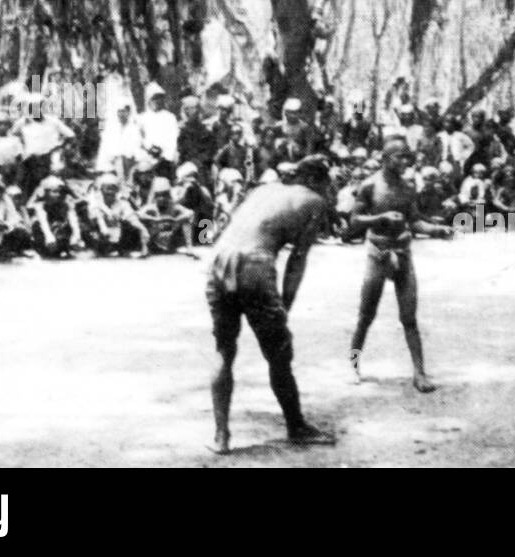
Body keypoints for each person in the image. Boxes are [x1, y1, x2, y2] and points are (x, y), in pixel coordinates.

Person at [206, 153, 336, 453]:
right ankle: (296, 426)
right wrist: (285, 307)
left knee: (224, 349)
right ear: (316, 179)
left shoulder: (264, 189)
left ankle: (221, 436)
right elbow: (297, 261)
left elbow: (230, 225)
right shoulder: (313, 201)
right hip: (254, 263)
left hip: (218, 259)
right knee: (279, 352)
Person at [348, 138, 453, 393]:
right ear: (386, 158)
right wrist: (380, 217)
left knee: (409, 317)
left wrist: (436, 229)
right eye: (400, 157)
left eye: (408, 157)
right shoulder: (370, 185)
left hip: (403, 253)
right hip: (378, 252)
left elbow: (414, 220)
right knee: (366, 315)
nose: (405, 162)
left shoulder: (407, 186)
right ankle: (353, 364)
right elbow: (354, 221)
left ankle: (419, 372)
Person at [85, 174, 148, 257]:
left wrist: (143, 229)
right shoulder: (94, 202)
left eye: (113, 188)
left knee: (132, 227)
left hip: (117, 236)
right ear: (101, 189)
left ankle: (125, 250)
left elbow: (132, 218)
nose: (110, 191)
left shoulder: (122, 203)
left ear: (117, 189)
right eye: (107, 188)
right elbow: (94, 218)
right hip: (100, 236)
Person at [137, 179, 198, 258]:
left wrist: (176, 220)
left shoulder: (173, 206)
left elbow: (190, 213)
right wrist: (154, 219)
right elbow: (138, 214)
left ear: (168, 195)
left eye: (164, 195)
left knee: (186, 220)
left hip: (171, 237)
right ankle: (144, 249)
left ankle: (189, 247)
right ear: (155, 196)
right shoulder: (152, 207)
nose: (161, 198)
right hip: (155, 238)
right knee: (142, 223)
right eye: (159, 195)